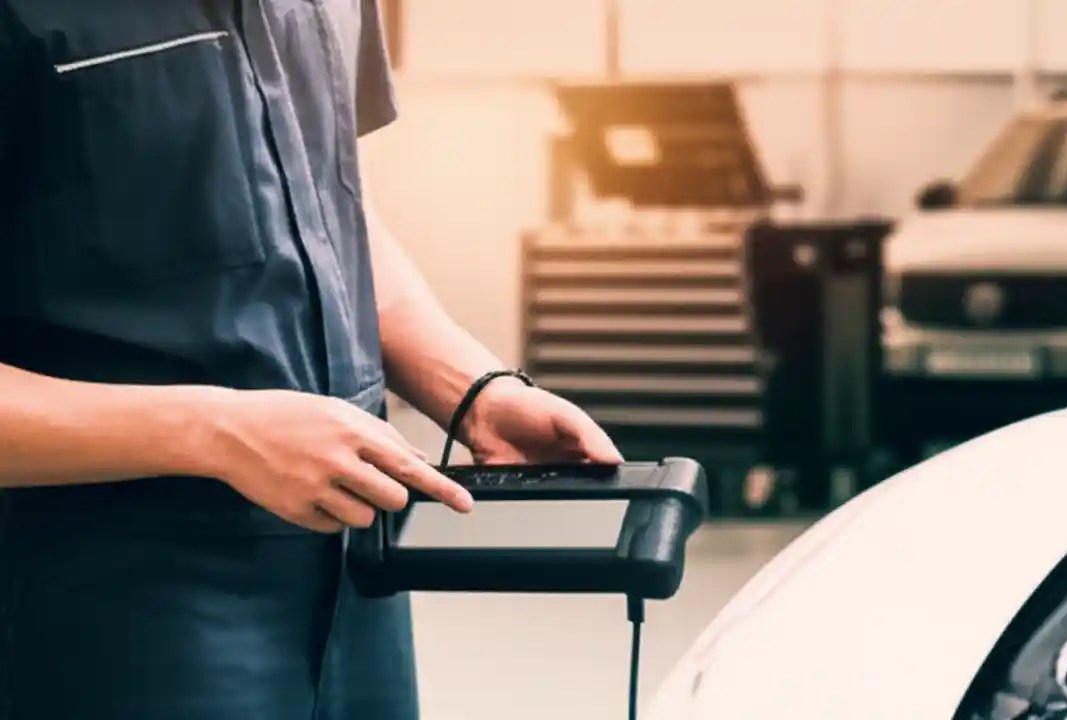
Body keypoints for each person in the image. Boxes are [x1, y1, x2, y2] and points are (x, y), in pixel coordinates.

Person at [0, 2, 621, 719]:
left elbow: (329, 207)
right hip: (107, 608)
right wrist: (218, 432)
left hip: (358, 581)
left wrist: (473, 388)